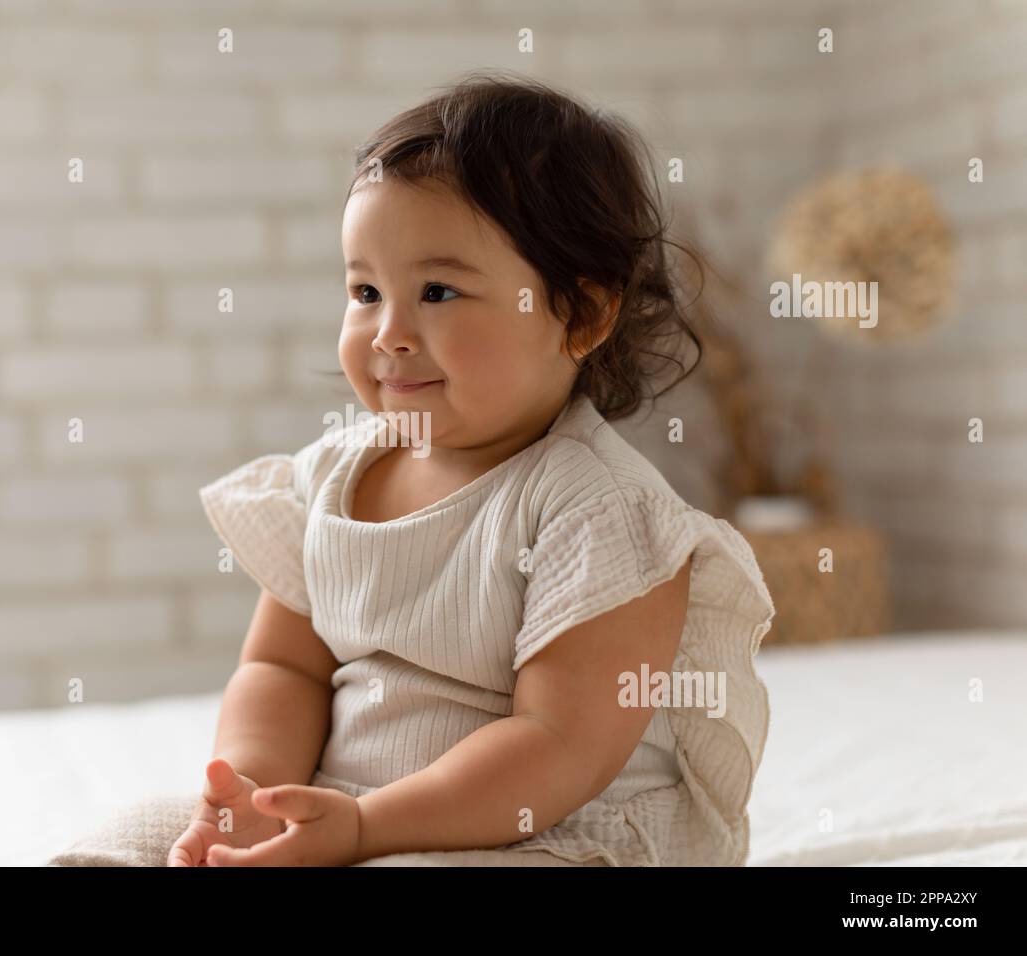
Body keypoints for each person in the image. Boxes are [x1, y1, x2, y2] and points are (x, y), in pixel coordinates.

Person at [48, 69, 775, 868]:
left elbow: (558, 748)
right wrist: (254, 798)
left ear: (581, 315)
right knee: (124, 842)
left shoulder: (598, 510)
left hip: (550, 831)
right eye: (364, 290)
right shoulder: (333, 479)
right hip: (343, 812)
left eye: (436, 291)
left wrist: (368, 831)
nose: (388, 332)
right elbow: (281, 666)